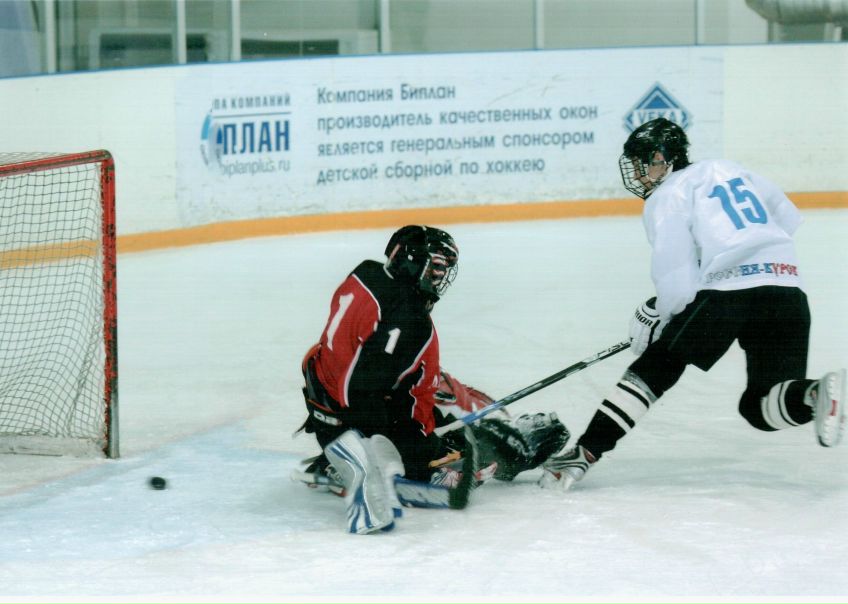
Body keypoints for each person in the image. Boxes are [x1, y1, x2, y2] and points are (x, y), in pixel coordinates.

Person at [540, 117, 846, 491]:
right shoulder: (730, 168)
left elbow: (676, 277)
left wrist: (664, 318)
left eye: (641, 163)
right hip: (787, 289)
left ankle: (584, 452)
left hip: (730, 293)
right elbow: (787, 218)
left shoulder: (668, 195)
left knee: (658, 366)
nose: (638, 174)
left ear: (660, 158)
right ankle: (816, 393)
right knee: (761, 406)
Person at [297, 225, 568, 533]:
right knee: (447, 438)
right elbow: (376, 393)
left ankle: (341, 453)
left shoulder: (366, 272)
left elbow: (367, 366)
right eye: (437, 265)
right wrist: (423, 449)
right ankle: (366, 462)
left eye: (444, 268)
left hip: (322, 400)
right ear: (411, 260)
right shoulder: (410, 319)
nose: (440, 276)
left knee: (432, 395)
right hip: (354, 420)